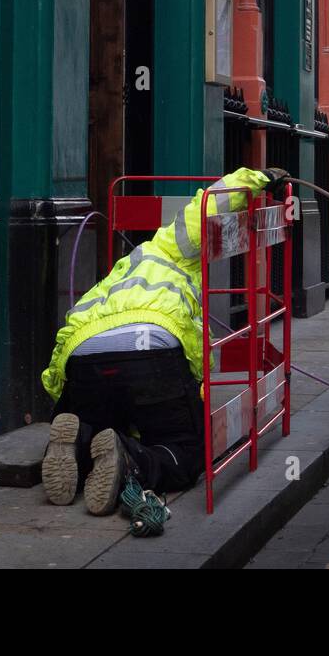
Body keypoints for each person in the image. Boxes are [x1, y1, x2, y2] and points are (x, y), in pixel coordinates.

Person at [40, 166, 285, 528]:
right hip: (153, 348)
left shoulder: (113, 279)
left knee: (102, 419)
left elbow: (63, 344)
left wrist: (60, 392)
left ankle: (78, 440)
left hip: (84, 354)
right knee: (185, 451)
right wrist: (260, 178)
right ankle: (132, 460)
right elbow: (210, 205)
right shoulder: (169, 247)